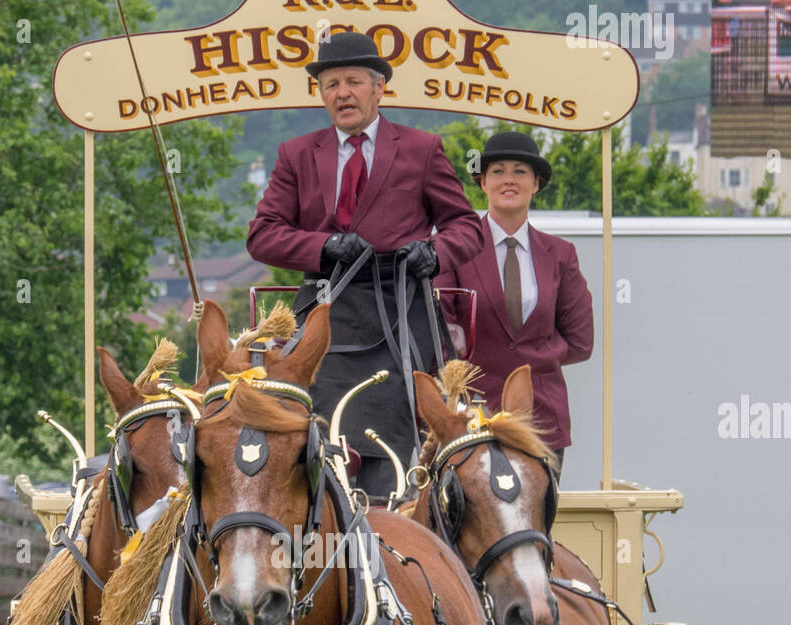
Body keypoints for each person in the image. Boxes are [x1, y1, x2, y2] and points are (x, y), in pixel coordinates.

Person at [246, 31, 484, 498]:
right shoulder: (296, 154)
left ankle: (384, 532)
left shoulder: (421, 149)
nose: (341, 93)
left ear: (379, 88)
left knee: (386, 448)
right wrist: (324, 246)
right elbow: (262, 234)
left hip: (398, 313)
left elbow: (466, 227)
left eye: (352, 81)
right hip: (323, 314)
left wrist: (434, 253)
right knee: (309, 435)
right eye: (330, 84)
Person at [436, 131, 594, 479]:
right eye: (498, 171)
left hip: (541, 420)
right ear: (483, 183)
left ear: (536, 184)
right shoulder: (452, 250)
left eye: (520, 171)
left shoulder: (561, 255)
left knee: (534, 529)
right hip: (470, 418)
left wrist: (534, 358)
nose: (509, 179)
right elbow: (437, 334)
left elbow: (581, 343)